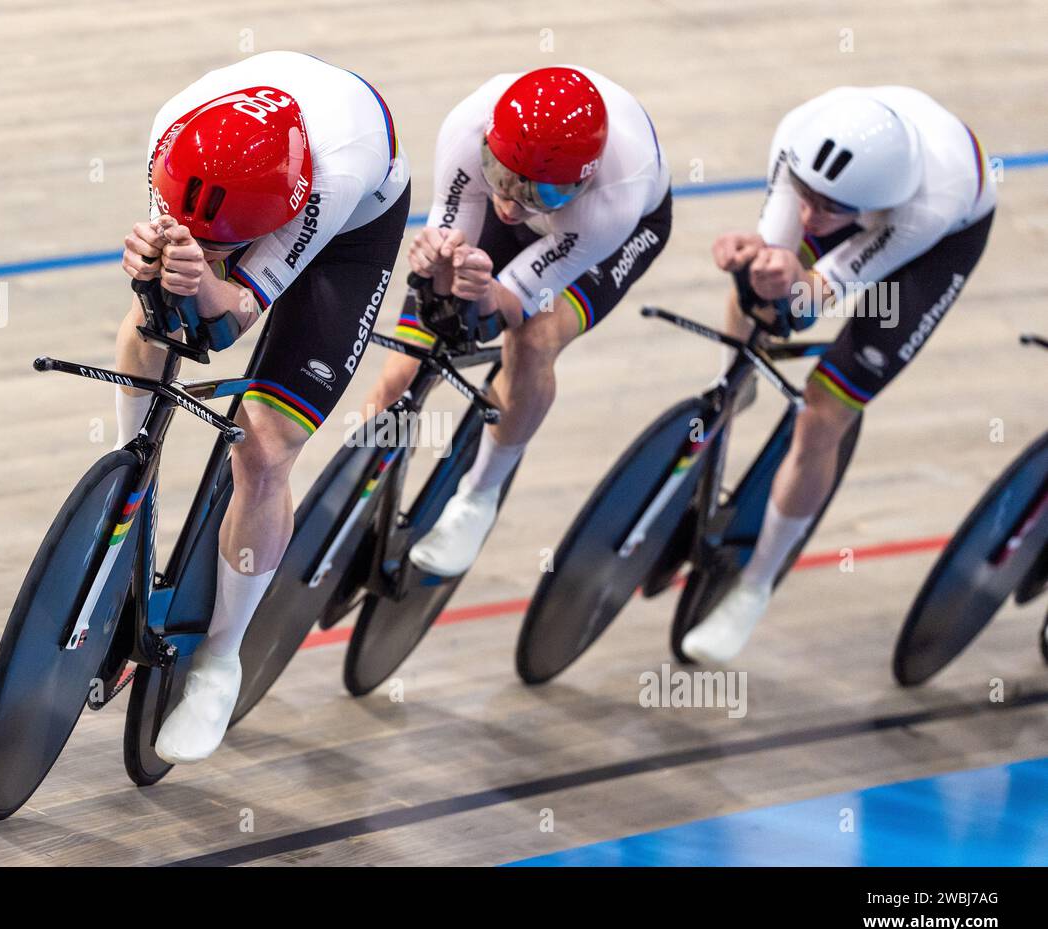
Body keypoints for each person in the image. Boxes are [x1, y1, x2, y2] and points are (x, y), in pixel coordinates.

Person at [118, 51, 410, 761]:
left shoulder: (334, 176)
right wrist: (157, 267)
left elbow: (230, 322)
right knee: (151, 311)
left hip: (347, 233)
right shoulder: (173, 132)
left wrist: (213, 285)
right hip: (237, 184)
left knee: (266, 448)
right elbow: (170, 286)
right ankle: (128, 485)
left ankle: (221, 658)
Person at [683, 86, 997, 665]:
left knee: (823, 413)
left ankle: (755, 585)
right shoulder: (800, 133)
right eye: (806, 196)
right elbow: (778, 266)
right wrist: (758, 261)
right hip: (856, 192)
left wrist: (794, 286)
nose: (809, 216)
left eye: (826, 210)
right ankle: (733, 393)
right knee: (758, 291)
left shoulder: (926, 208)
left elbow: (816, 298)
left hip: (938, 243)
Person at [363, 66, 672, 577]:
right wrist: (441, 275)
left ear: (584, 178)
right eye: (502, 179)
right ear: (488, 145)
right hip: (537, 204)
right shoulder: (467, 131)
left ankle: (479, 496)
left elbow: (507, 308)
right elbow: (448, 263)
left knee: (533, 339)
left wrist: (485, 297)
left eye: (537, 193)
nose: (509, 205)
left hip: (605, 237)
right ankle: (356, 499)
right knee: (400, 372)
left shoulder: (614, 198)